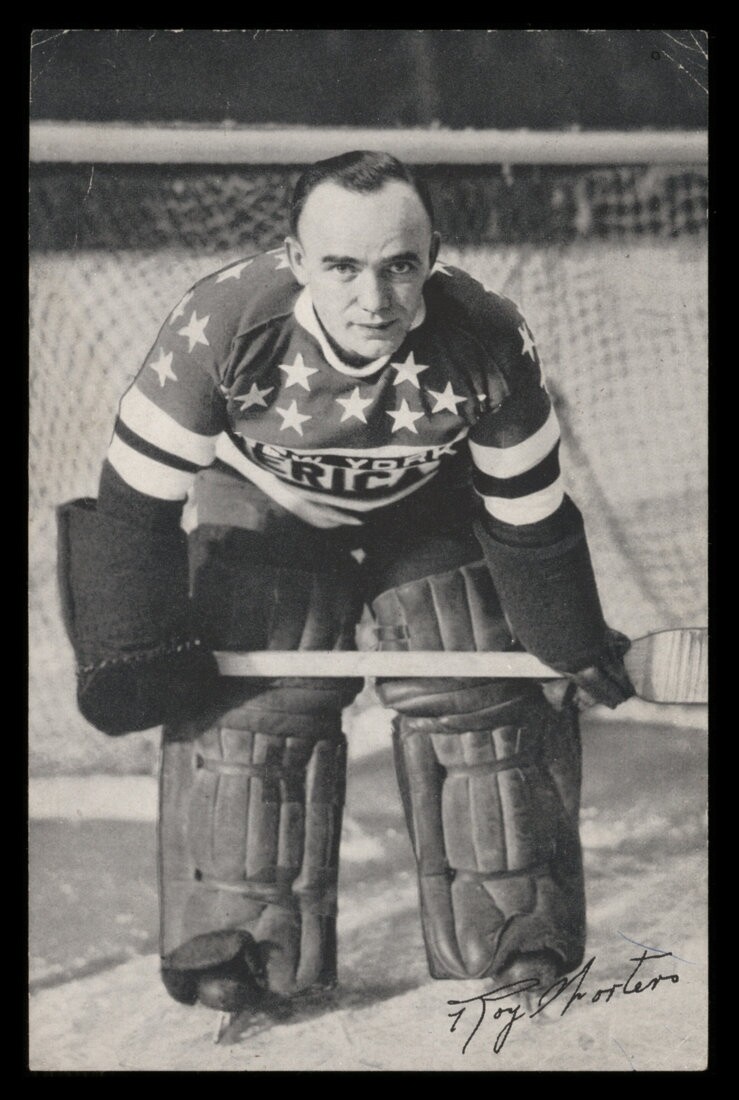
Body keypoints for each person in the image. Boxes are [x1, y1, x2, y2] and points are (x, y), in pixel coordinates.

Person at [57, 151, 634, 1017]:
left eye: (400, 265)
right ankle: (241, 937)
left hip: (426, 505)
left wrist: (568, 637)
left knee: (479, 684)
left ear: (433, 255)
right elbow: (133, 506)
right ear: (294, 261)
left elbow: (527, 513)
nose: (375, 298)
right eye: (342, 267)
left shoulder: (486, 338)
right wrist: (131, 645)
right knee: (258, 705)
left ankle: (517, 922)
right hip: (265, 502)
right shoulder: (220, 327)